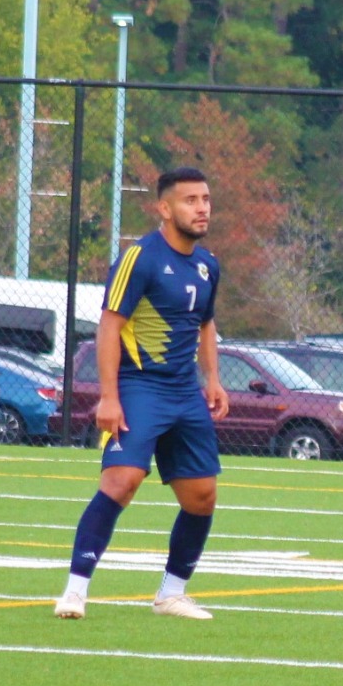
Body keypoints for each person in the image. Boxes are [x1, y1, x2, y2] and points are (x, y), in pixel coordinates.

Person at [56, 167, 227, 621]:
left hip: (185, 392)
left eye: (206, 199)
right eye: (190, 200)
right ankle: (75, 591)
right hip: (139, 386)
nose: (202, 207)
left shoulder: (208, 264)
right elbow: (109, 325)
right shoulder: (141, 258)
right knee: (121, 481)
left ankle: (171, 594)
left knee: (202, 497)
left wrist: (213, 379)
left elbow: (205, 324)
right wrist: (108, 397)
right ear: (164, 208)